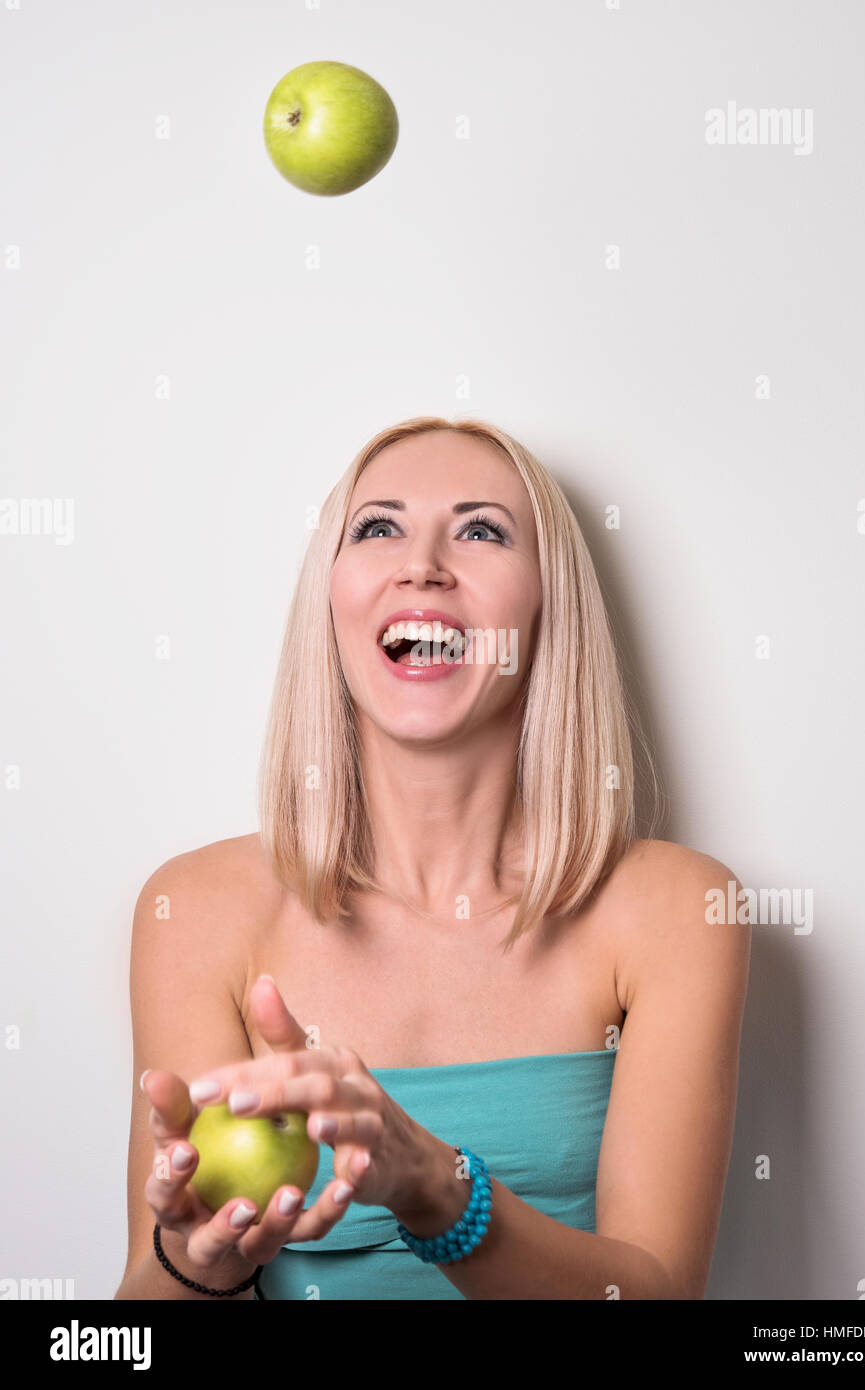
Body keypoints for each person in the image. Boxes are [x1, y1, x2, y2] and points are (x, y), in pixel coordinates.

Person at [114, 416, 750, 1301]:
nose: (422, 564)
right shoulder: (196, 909)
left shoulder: (678, 910)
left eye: (480, 530)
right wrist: (198, 1262)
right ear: (331, 597)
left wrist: (431, 1187)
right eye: (378, 528)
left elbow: (656, 1296)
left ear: (546, 605)